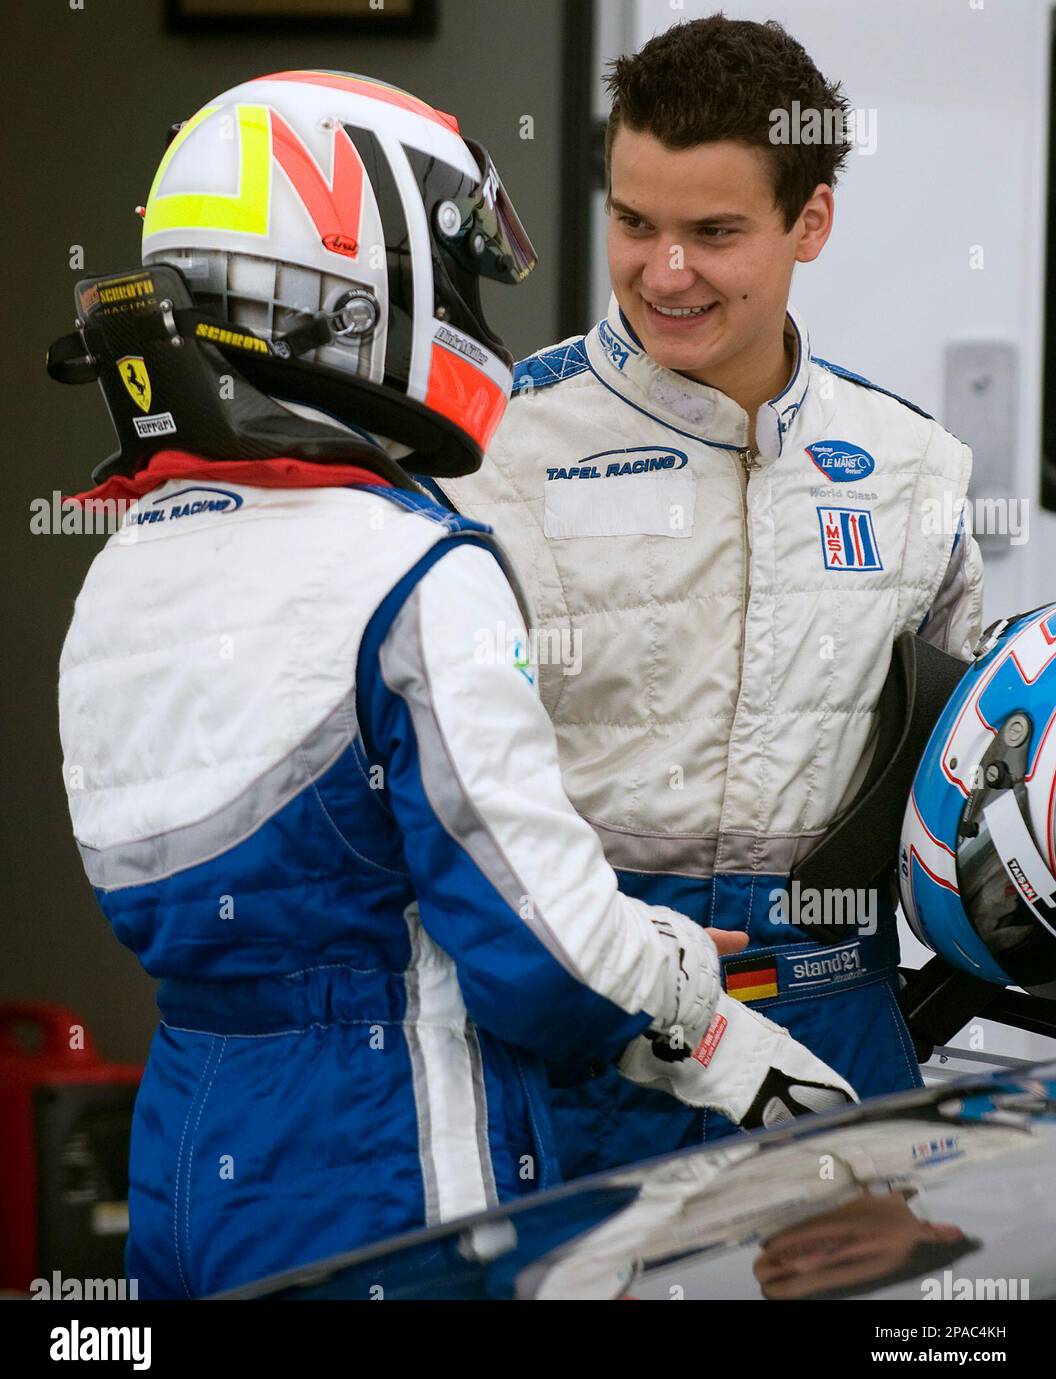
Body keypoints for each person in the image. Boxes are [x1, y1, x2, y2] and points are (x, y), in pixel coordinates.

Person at [51, 70, 854, 1299]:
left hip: (186, 1156)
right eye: (458, 269)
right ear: (344, 292)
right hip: (385, 1171)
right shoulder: (411, 568)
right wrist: (710, 1015)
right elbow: (543, 960)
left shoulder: (124, 564)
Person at [431, 14, 985, 1178]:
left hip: (837, 1051)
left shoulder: (912, 466)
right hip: (576, 1051)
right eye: (635, 223)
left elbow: (976, 777)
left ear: (811, 220)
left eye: (715, 232)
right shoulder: (492, 453)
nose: (664, 271)